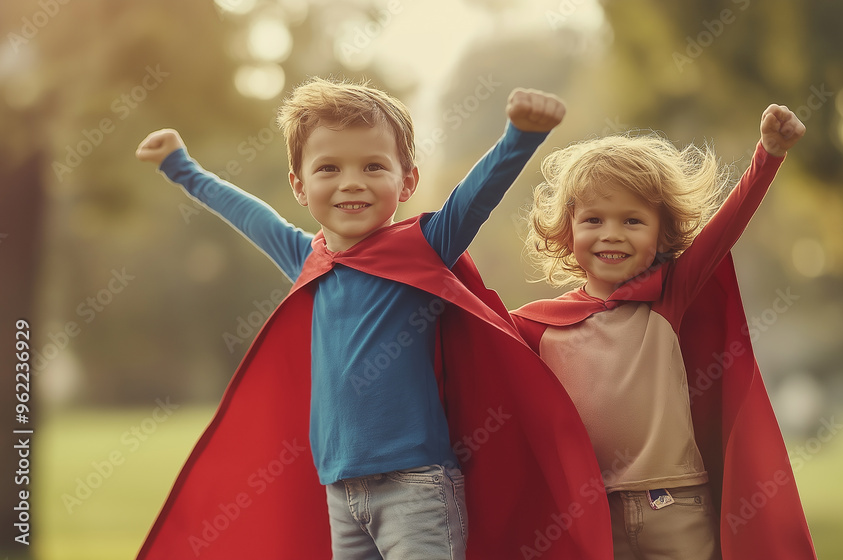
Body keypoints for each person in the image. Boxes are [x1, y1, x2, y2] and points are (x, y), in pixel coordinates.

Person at [132, 78, 614, 560]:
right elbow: (251, 216)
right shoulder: (310, 262)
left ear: (406, 181)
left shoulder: (423, 249)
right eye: (328, 168)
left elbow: (474, 198)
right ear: (299, 186)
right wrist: (181, 166)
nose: (351, 182)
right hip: (340, 490)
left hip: (415, 486)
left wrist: (520, 137)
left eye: (373, 166)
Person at [511, 104, 817, 560]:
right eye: (593, 220)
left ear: (662, 232)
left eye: (632, 221)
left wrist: (768, 156)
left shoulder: (667, 298)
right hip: (592, 513)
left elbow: (725, 228)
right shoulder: (534, 325)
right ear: (566, 232)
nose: (611, 234)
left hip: (677, 505)